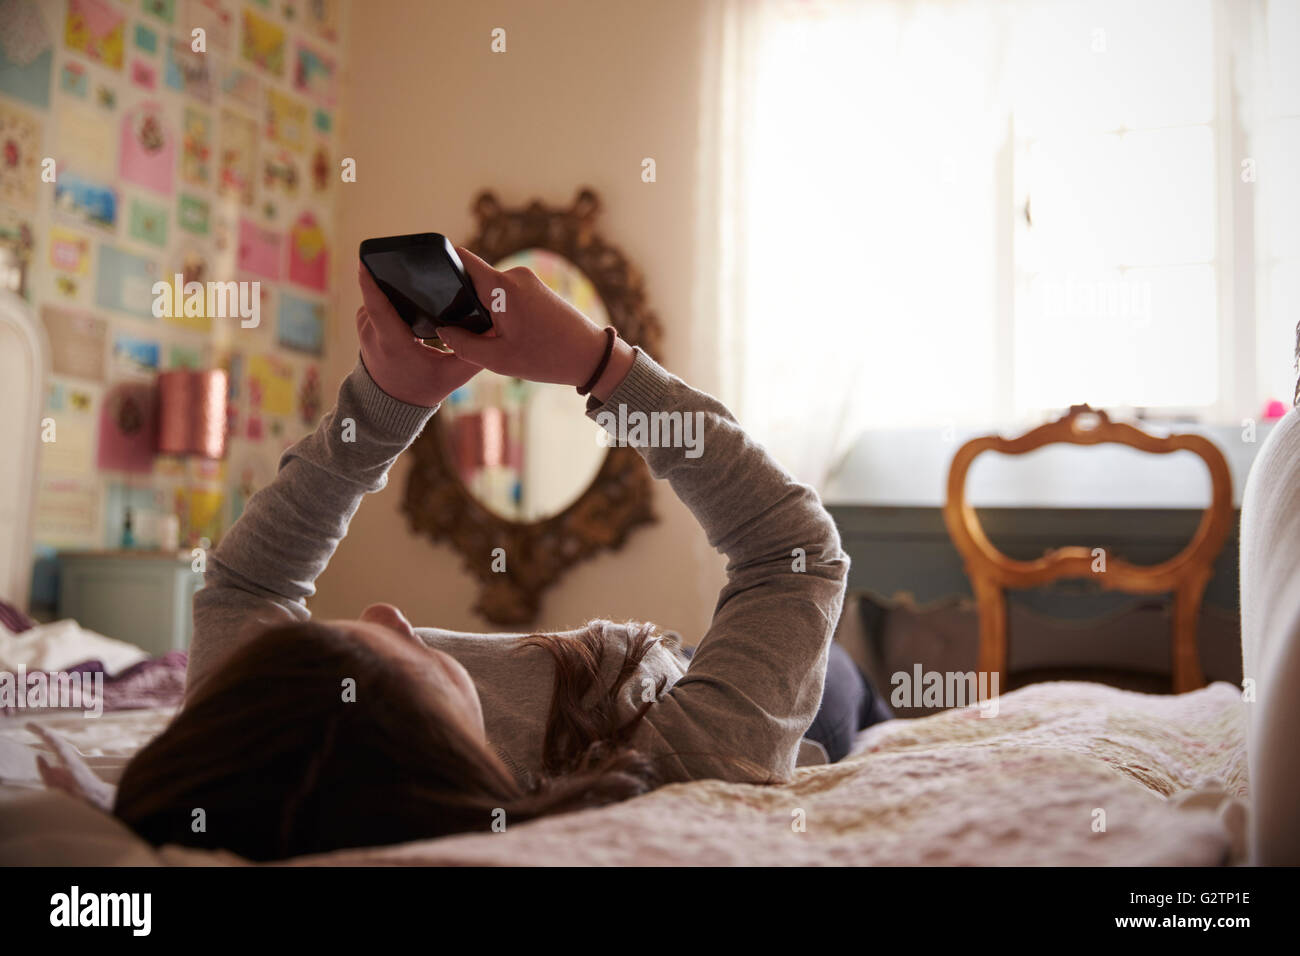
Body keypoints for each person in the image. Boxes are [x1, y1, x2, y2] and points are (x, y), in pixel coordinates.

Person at [113, 249, 890, 861]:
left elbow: (250, 580)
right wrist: (601, 364)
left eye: (339, 633)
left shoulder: (242, 733)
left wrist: (391, 401)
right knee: (852, 684)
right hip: (753, 701)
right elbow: (794, 554)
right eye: (397, 657)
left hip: (649, 659)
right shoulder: (671, 776)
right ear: (432, 762)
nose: (387, 612)